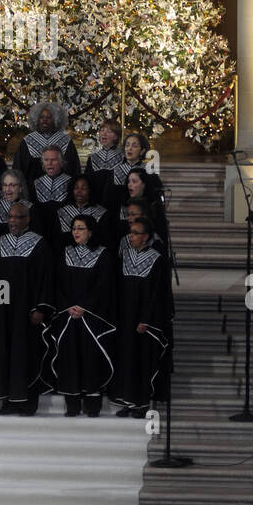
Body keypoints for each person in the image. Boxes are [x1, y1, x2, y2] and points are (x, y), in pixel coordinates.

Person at [0, 202, 54, 416]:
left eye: (18, 217)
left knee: (26, 354)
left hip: (27, 311)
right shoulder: (1, 242)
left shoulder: (39, 244)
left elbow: (45, 278)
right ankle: (8, 400)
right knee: (5, 353)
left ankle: (28, 402)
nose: (12, 221)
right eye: (10, 217)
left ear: (27, 219)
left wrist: (39, 307)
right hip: (6, 309)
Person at [47, 213, 115, 417]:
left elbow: (103, 286)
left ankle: (92, 405)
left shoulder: (103, 255)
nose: (76, 232)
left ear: (91, 232)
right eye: (74, 228)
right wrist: (68, 306)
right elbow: (58, 283)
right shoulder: (65, 252)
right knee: (70, 359)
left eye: (81, 228)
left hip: (91, 318)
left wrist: (84, 307)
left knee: (90, 359)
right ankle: (73, 404)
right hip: (68, 317)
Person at [111, 218, 173, 418]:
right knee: (126, 360)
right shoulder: (126, 255)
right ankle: (127, 401)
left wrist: (146, 319)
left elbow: (157, 293)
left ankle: (141, 403)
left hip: (143, 321)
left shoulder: (157, 258)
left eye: (136, 233)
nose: (132, 236)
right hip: (125, 317)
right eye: (131, 232)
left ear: (146, 237)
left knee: (141, 361)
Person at [13, 101, 80, 188]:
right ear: (36, 119)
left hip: (62, 191)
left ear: (56, 119)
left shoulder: (66, 141)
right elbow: (18, 170)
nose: (44, 120)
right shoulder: (27, 141)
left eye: (49, 117)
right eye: (41, 117)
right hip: (33, 192)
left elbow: (74, 169)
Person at [54, 174, 112, 252]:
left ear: (90, 190)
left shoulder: (101, 212)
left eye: (83, 188)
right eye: (76, 188)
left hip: (93, 255)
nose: (79, 191)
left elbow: (104, 240)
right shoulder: (62, 212)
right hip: (66, 256)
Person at [32, 146, 72, 240]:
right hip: (41, 233)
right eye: (46, 160)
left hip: (64, 233)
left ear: (61, 162)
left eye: (54, 160)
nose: (49, 163)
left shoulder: (71, 183)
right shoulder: (35, 184)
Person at [0, 167, 43, 236]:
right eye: (5, 185)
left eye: (12, 185)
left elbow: (35, 236)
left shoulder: (31, 209)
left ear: (20, 188)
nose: (7, 189)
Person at [84, 119, 124, 205]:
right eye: (102, 130)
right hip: (95, 203)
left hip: (116, 204)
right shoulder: (93, 158)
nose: (104, 133)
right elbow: (87, 182)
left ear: (116, 136)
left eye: (109, 131)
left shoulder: (122, 157)